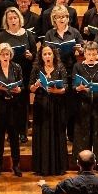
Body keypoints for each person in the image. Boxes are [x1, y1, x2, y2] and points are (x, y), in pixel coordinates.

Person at [0, 6, 36, 144]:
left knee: (23, 103)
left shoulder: (27, 34)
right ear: (6, 21)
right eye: (10, 18)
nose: (13, 20)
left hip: (24, 71)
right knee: (10, 104)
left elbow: (35, 55)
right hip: (8, 72)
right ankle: (11, 132)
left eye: (15, 17)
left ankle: (23, 132)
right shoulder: (2, 35)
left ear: (20, 19)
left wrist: (30, 55)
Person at [30, 45, 69, 176]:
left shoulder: (60, 67)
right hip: (41, 105)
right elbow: (30, 88)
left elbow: (65, 87)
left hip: (57, 105)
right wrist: (36, 85)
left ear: (54, 55)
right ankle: (42, 167)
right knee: (42, 133)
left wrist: (55, 90)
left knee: (57, 133)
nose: (47, 56)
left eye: (49, 54)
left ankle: (58, 167)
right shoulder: (37, 68)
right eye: (45, 54)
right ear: (41, 56)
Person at [72, 41, 98, 164]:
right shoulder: (77, 66)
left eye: (94, 54)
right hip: (83, 106)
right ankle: (82, 164)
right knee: (82, 136)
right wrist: (78, 88)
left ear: (97, 54)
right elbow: (74, 85)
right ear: (84, 53)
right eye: (88, 54)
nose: (91, 57)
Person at [0, 43, 25, 176]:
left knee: (14, 138)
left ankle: (16, 165)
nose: (5, 56)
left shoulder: (16, 67)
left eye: (8, 54)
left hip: (14, 107)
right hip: (0, 107)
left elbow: (22, 85)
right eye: (3, 54)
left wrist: (19, 89)